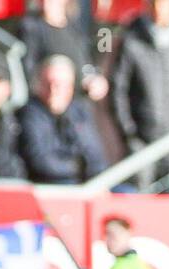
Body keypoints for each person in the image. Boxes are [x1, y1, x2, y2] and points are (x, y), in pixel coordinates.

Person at [111, 0, 169, 190]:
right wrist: (129, 132)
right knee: (141, 199)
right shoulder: (132, 41)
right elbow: (119, 90)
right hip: (141, 141)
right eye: (155, 4)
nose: (159, 9)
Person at [17, 55, 108, 185]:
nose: (54, 91)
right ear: (39, 85)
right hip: (52, 186)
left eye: (59, 85)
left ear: (70, 87)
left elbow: (95, 155)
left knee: (127, 193)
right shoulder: (30, 114)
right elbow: (41, 161)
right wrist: (78, 166)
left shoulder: (78, 112)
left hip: (86, 183)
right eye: (48, 84)